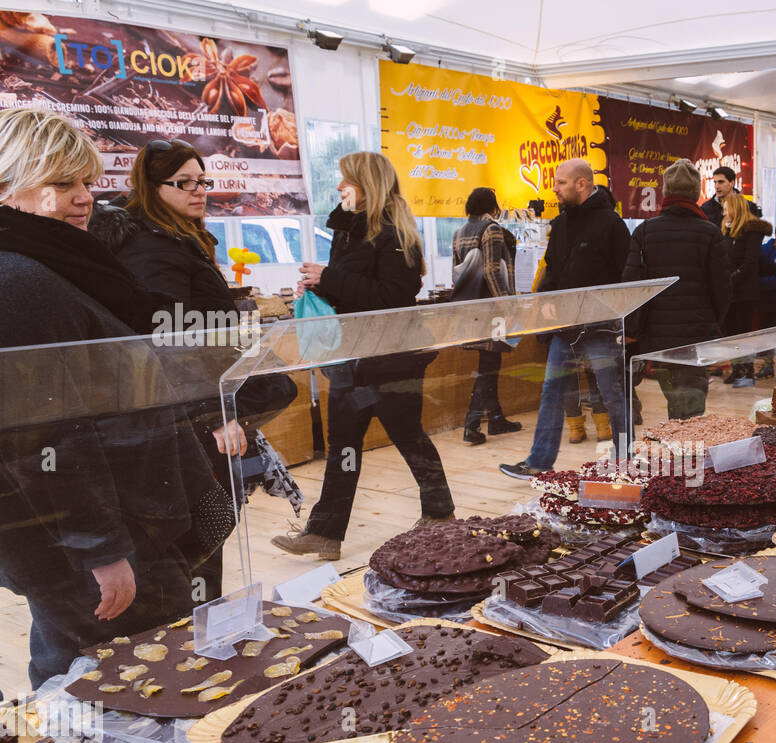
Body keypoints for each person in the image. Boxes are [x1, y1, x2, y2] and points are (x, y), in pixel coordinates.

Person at [0, 107, 208, 685]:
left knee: (80, 663)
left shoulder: (53, 261)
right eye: (61, 183)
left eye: (86, 182)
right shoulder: (18, 279)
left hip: (101, 523)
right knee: (135, 678)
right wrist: (102, 551)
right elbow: (43, 439)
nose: (83, 197)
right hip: (87, 534)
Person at [89, 138, 297, 603]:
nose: (197, 190)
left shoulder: (176, 237)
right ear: (152, 187)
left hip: (197, 403)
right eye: (182, 183)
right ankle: (194, 628)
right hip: (190, 409)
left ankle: (199, 622)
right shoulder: (152, 247)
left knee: (206, 522)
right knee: (199, 526)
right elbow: (168, 339)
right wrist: (215, 410)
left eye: (202, 180)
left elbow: (190, 321)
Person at [273, 151, 451, 560]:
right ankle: (325, 533)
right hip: (353, 356)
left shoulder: (395, 235)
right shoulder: (347, 230)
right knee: (343, 445)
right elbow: (353, 292)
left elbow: (393, 296)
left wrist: (330, 277)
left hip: (392, 357)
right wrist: (318, 288)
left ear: (367, 186)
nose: (339, 188)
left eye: (346, 181)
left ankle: (439, 511)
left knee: (408, 436)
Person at [500, 159, 631, 478]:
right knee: (552, 391)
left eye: (560, 183)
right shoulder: (559, 225)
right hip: (564, 326)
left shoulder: (612, 224)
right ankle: (539, 461)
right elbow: (553, 271)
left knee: (611, 392)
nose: (554, 189)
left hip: (600, 326)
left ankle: (625, 458)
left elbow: (626, 277)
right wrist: (545, 301)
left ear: (582, 184)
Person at [622, 159, 731, 420]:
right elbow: (723, 289)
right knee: (693, 407)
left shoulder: (645, 232)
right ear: (696, 193)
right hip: (698, 333)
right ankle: (690, 457)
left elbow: (631, 286)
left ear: (666, 192)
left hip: (658, 336)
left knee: (675, 403)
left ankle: (678, 456)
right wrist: (714, 323)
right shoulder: (710, 233)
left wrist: (638, 330)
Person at [450, 186, 523, 446]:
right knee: (489, 365)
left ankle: (496, 419)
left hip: (470, 310)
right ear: (493, 208)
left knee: (489, 362)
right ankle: (471, 424)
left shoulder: (458, 233)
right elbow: (493, 272)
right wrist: (508, 308)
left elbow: (456, 276)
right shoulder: (491, 228)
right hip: (493, 310)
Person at [721, 191, 772, 387]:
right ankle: (737, 369)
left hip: (745, 292)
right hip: (730, 291)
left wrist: (731, 279)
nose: (724, 214)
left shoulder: (752, 231)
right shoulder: (727, 230)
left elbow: (750, 262)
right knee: (731, 333)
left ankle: (747, 371)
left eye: (726, 210)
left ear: (735, 209)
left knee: (743, 333)